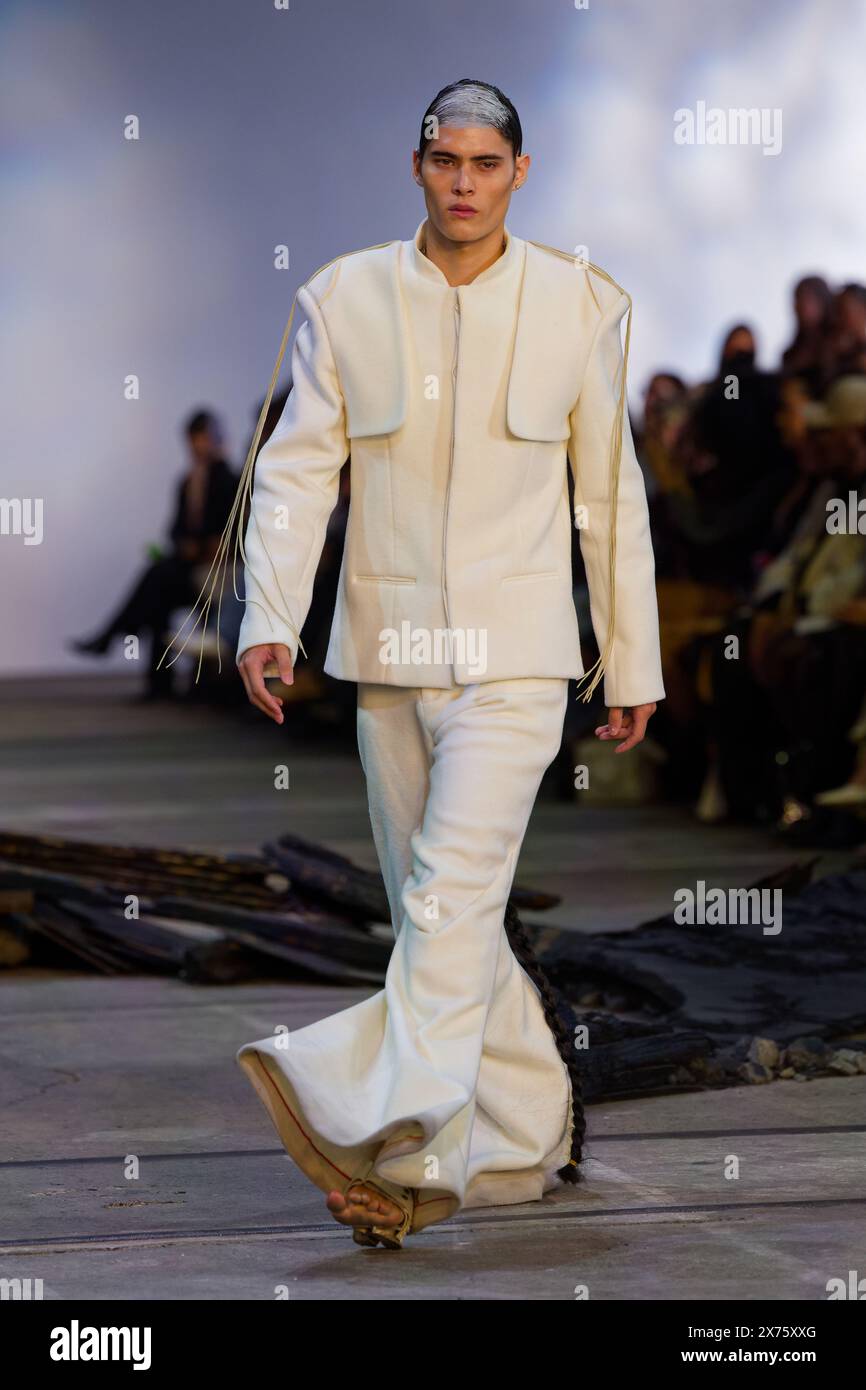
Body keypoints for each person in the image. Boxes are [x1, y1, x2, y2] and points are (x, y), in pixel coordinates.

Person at [168, 79, 666, 1248]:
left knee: (444, 903)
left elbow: (607, 491)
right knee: (440, 916)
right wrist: (267, 619)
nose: (463, 181)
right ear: (416, 164)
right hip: (387, 659)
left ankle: (397, 1150)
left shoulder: (576, 304)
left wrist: (628, 659)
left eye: (486, 163)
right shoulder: (343, 298)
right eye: (445, 159)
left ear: (518, 174)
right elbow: (298, 474)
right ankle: (530, 1133)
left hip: (519, 657)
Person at [71, 410, 239, 698]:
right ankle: (147, 670)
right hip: (189, 568)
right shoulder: (187, 483)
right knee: (156, 587)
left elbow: (230, 534)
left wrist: (200, 546)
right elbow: (174, 530)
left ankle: (111, 637)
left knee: (156, 580)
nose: (198, 446)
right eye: (194, 440)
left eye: (203, 439)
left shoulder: (227, 478)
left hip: (217, 570)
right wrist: (188, 545)